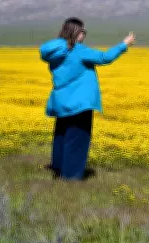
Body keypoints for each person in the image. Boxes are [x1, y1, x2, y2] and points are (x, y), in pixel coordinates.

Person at [40, 18, 136, 180]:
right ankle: (71, 176)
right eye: (83, 31)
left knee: (62, 136)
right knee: (77, 139)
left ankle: (59, 169)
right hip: (80, 103)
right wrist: (124, 44)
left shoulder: (55, 52)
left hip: (62, 102)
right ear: (76, 33)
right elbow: (105, 58)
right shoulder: (78, 50)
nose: (84, 35)